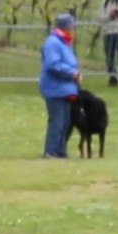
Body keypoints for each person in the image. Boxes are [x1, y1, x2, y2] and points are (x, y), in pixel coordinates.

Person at [39, 14, 81, 159]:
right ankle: (50, 150)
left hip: (65, 88)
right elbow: (53, 64)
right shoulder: (53, 43)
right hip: (55, 88)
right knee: (57, 120)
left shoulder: (63, 43)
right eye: (71, 27)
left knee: (65, 121)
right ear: (66, 27)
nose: (73, 30)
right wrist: (72, 73)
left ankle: (60, 150)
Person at [97, 0, 118, 87]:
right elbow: (100, 18)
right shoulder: (105, 2)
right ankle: (113, 77)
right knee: (109, 56)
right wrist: (109, 16)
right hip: (109, 32)